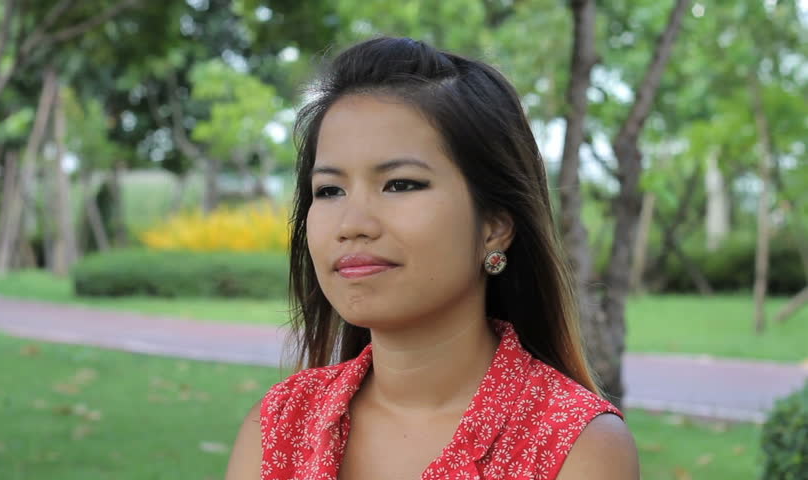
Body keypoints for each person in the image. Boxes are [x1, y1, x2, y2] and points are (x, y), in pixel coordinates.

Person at [226, 36, 639, 480]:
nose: (353, 222)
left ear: (495, 226)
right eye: (329, 190)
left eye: (400, 184)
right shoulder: (279, 425)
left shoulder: (574, 444)